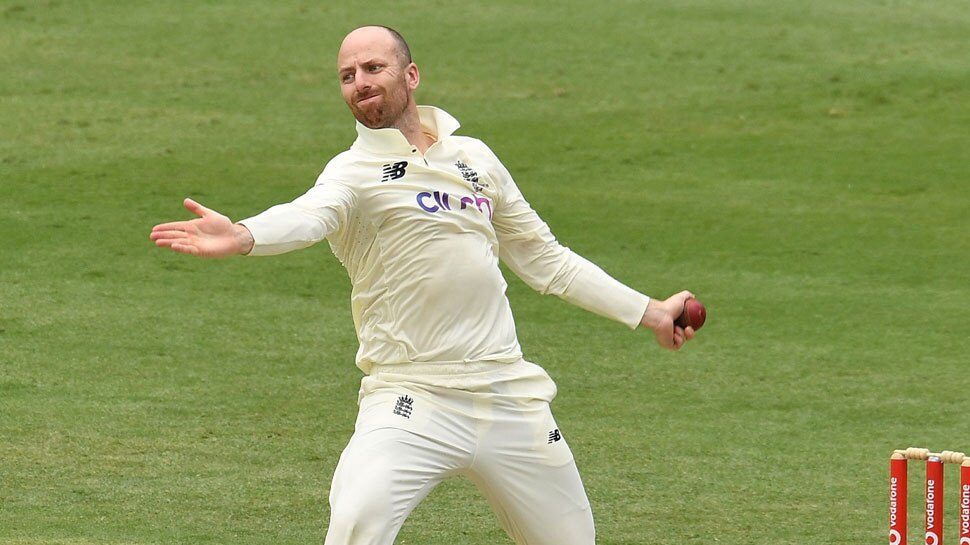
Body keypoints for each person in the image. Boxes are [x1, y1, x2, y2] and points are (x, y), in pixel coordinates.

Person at [150, 25, 698, 545]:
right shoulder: (352, 172)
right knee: (356, 528)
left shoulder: (474, 158)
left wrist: (653, 313)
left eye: (372, 67)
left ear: (410, 76)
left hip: (510, 395)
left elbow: (546, 260)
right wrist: (245, 235)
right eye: (347, 75)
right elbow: (309, 215)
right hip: (413, 397)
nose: (360, 81)